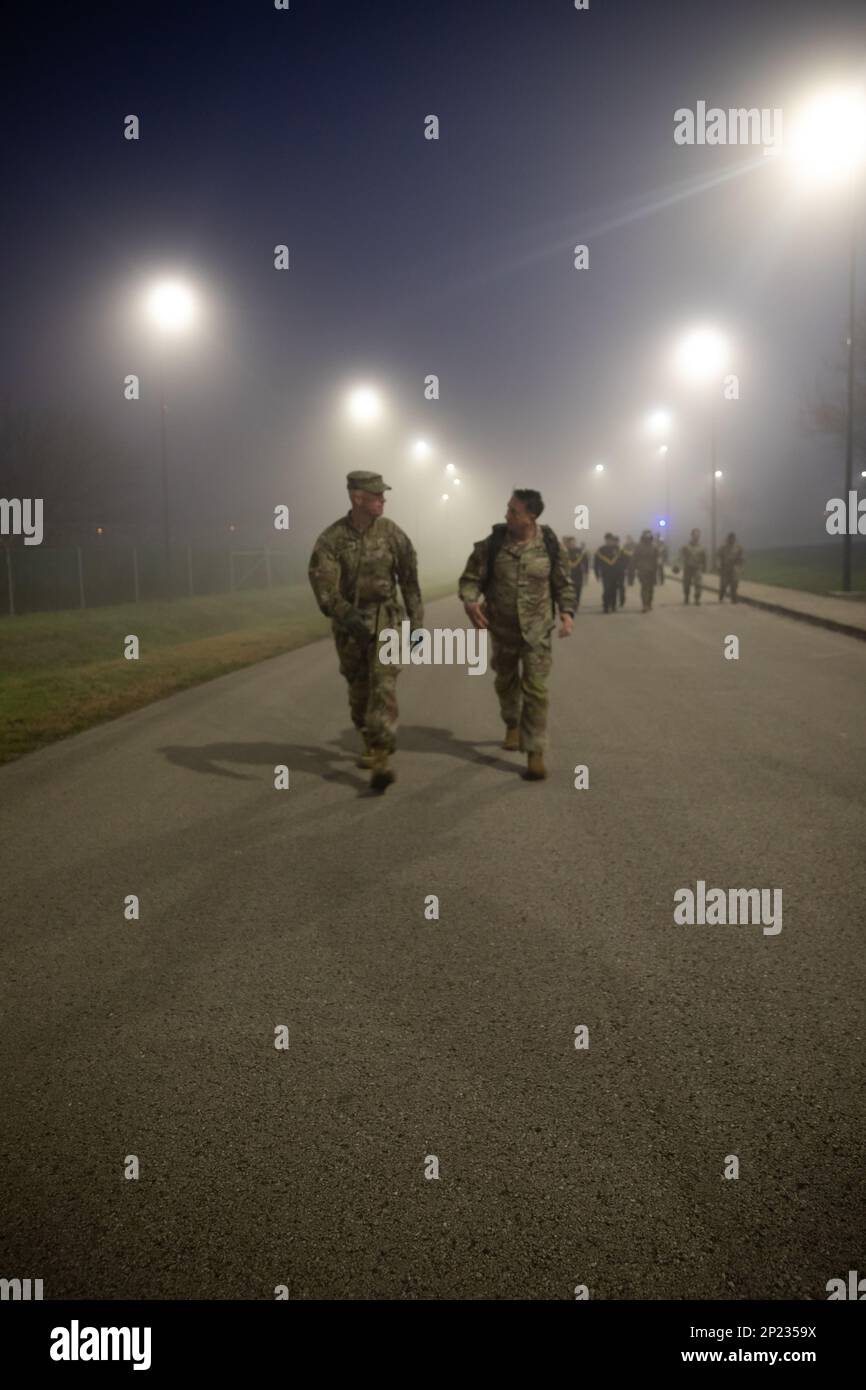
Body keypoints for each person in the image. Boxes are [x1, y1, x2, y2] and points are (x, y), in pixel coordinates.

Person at [308, 470, 423, 792]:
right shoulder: (331, 540)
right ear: (357, 498)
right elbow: (324, 587)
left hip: (386, 619)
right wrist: (346, 615)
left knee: (383, 685)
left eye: (383, 495)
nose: (383, 500)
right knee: (359, 692)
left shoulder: (392, 534)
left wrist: (417, 624)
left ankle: (383, 756)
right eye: (376, 496)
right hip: (350, 626)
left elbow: (410, 581)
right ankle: (370, 740)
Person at [459, 490, 575, 781]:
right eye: (508, 509)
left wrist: (567, 612)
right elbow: (470, 579)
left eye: (513, 511)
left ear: (531, 517)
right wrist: (471, 600)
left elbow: (563, 582)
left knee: (536, 689)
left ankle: (535, 751)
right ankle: (511, 722)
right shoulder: (493, 545)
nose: (507, 515)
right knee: (505, 682)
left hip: (537, 631)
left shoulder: (549, 545)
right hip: (502, 629)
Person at [629, 530, 660, 612]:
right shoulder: (638, 547)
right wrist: (632, 571)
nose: (648, 538)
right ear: (643, 537)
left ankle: (649, 603)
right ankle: (644, 604)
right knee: (644, 588)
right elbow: (633, 560)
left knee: (651, 588)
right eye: (646, 537)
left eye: (649, 537)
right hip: (642, 571)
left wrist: (658, 569)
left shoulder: (654, 547)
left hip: (652, 571)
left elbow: (657, 559)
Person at [594, 533, 625, 613]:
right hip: (606, 573)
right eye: (607, 539)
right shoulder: (601, 550)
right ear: (605, 540)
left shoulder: (618, 549)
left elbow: (622, 562)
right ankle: (606, 606)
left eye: (610, 539)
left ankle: (613, 605)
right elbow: (596, 563)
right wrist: (597, 573)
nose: (609, 541)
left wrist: (622, 573)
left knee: (614, 590)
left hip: (616, 573)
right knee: (607, 590)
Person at [679, 527, 707, 605]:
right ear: (692, 535)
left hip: (697, 568)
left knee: (698, 584)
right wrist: (677, 564)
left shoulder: (702, 547)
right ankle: (686, 596)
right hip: (688, 567)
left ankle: (697, 598)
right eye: (695, 535)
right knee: (686, 583)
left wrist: (705, 567)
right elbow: (680, 556)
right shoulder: (686, 546)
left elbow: (704, 558)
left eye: (698, 535)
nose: (696, 536)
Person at [562, 535, 589, 611]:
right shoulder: (564, 551)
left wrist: (586, 574)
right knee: (569, 590)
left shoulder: (580, 551)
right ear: (568, 543)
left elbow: (585, 563)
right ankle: (570, 605)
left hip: (578, 574)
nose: (572, 544)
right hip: (568, 574)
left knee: (578, 590)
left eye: (573, 542)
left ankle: (576, 603)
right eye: (570, 542)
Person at [717, 532, 745, 603]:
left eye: (733, 538)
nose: (731, 540)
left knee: (734, 584)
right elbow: (719, 557)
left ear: (735, 539)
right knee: (723, 584)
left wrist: (741, 568)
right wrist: (719, 565)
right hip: (725, 568)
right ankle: (721, 596)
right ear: (727, 539)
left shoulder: (739, 548)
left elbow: (741, 558)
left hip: (734, 568)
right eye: (730, 538)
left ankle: (734, 598)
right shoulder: (723, 548)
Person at [618, 534, 636, 607]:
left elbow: (637, 551)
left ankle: (631, 581)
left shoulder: (635, 544)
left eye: (629, 539)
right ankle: (629, 581)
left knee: (632, 572)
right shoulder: (625, 545)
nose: (628, 540)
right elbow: (623, 552)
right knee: (629, 572)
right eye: (627, 539)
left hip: (633, 559)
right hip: (627, 560)